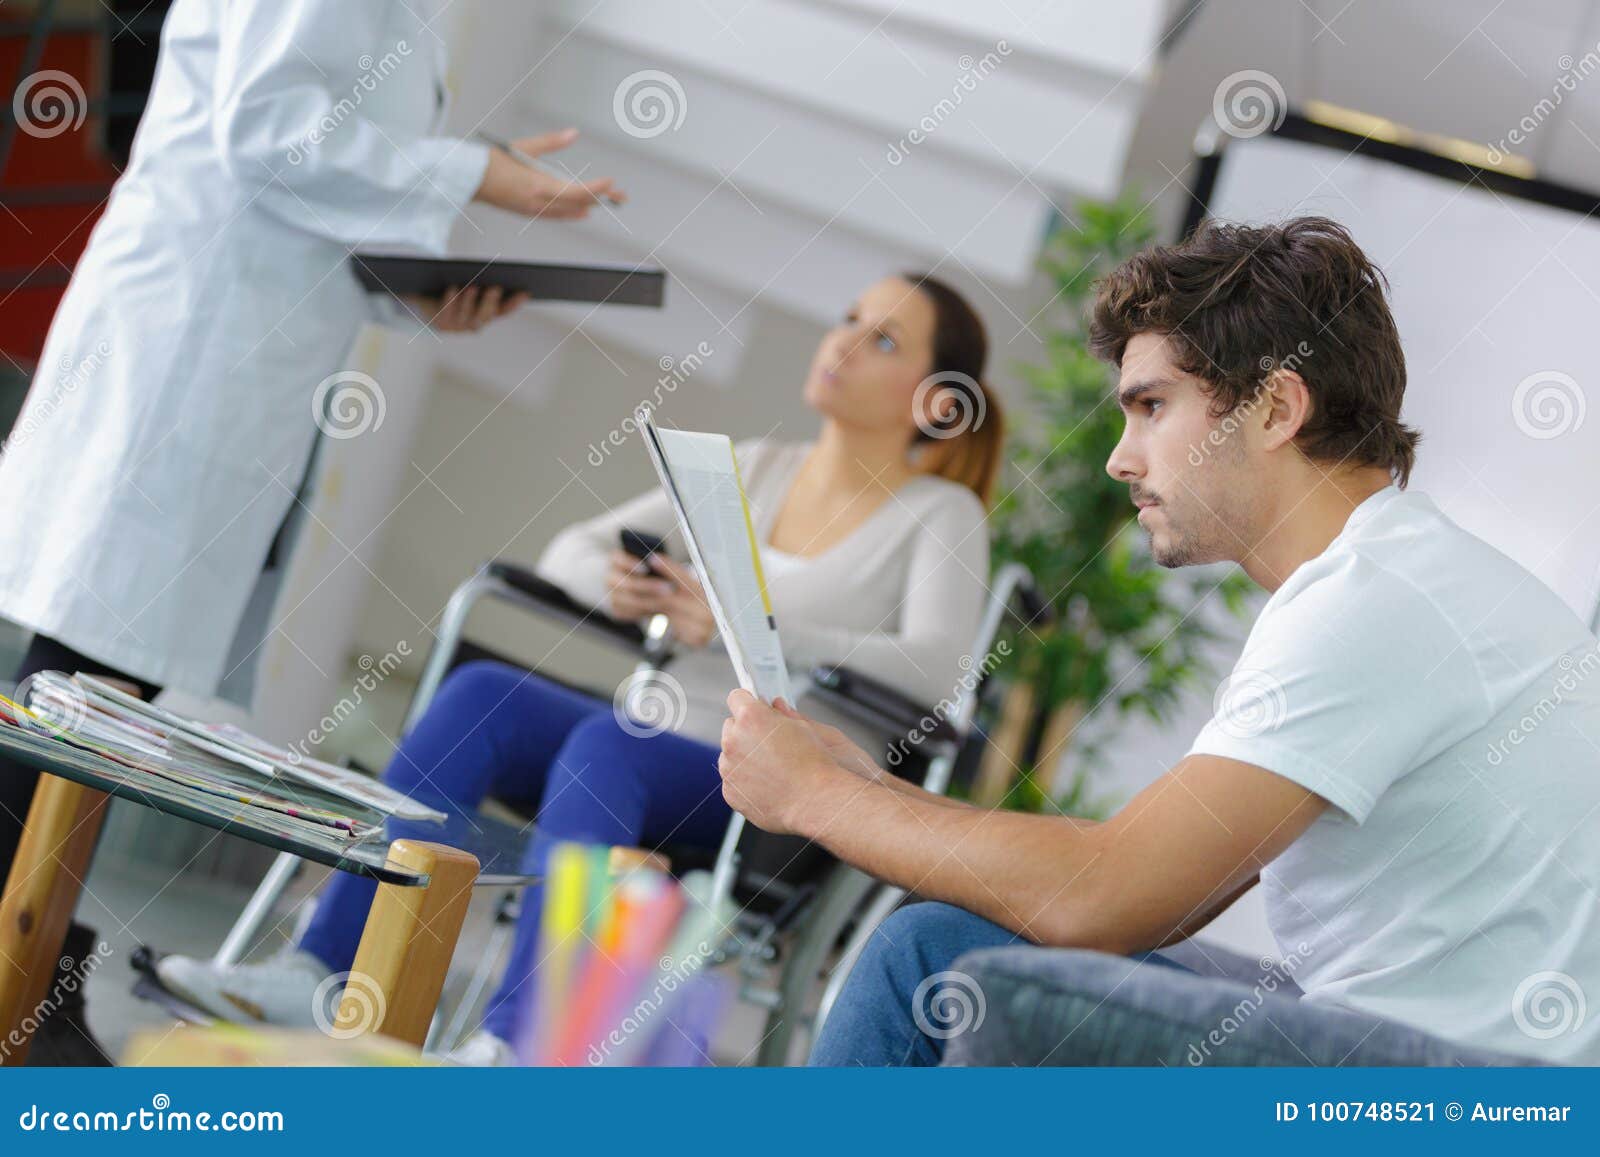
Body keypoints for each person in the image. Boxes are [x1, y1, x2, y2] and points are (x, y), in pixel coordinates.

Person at [720, 217, 1600, 1067]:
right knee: (972, 956)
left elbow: (1106, 895)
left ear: (1274, 409)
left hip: (1478, 1099)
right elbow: (1169, 891)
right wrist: (865, 785)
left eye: (1151, 407)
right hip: (1451, 1060)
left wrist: (813, 800)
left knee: (932, 962)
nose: (1121, 457)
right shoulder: (1396, 574)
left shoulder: (1374, 603)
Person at [156, 272, 1005, 1064]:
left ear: (939, 401)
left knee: (608, 743)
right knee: (485, 696)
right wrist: (623, 584)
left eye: (886, 342)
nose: (846, 344)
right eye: (851, 320)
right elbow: (572, 549)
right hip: (646, 738)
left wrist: (762, 626)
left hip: (774, 791)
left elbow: (935, 668)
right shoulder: (754, 467)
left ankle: (519, 1050)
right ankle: (319, 976)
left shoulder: (942, 514)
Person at [0, 0, 621, 1065]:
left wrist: (416, 291)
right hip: (186, 344)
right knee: (88, 679)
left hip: (239, 347)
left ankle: (32, 959)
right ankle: (25, 967)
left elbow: (300, 176)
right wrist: (465, 172)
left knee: (105, 685)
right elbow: (262, 133)